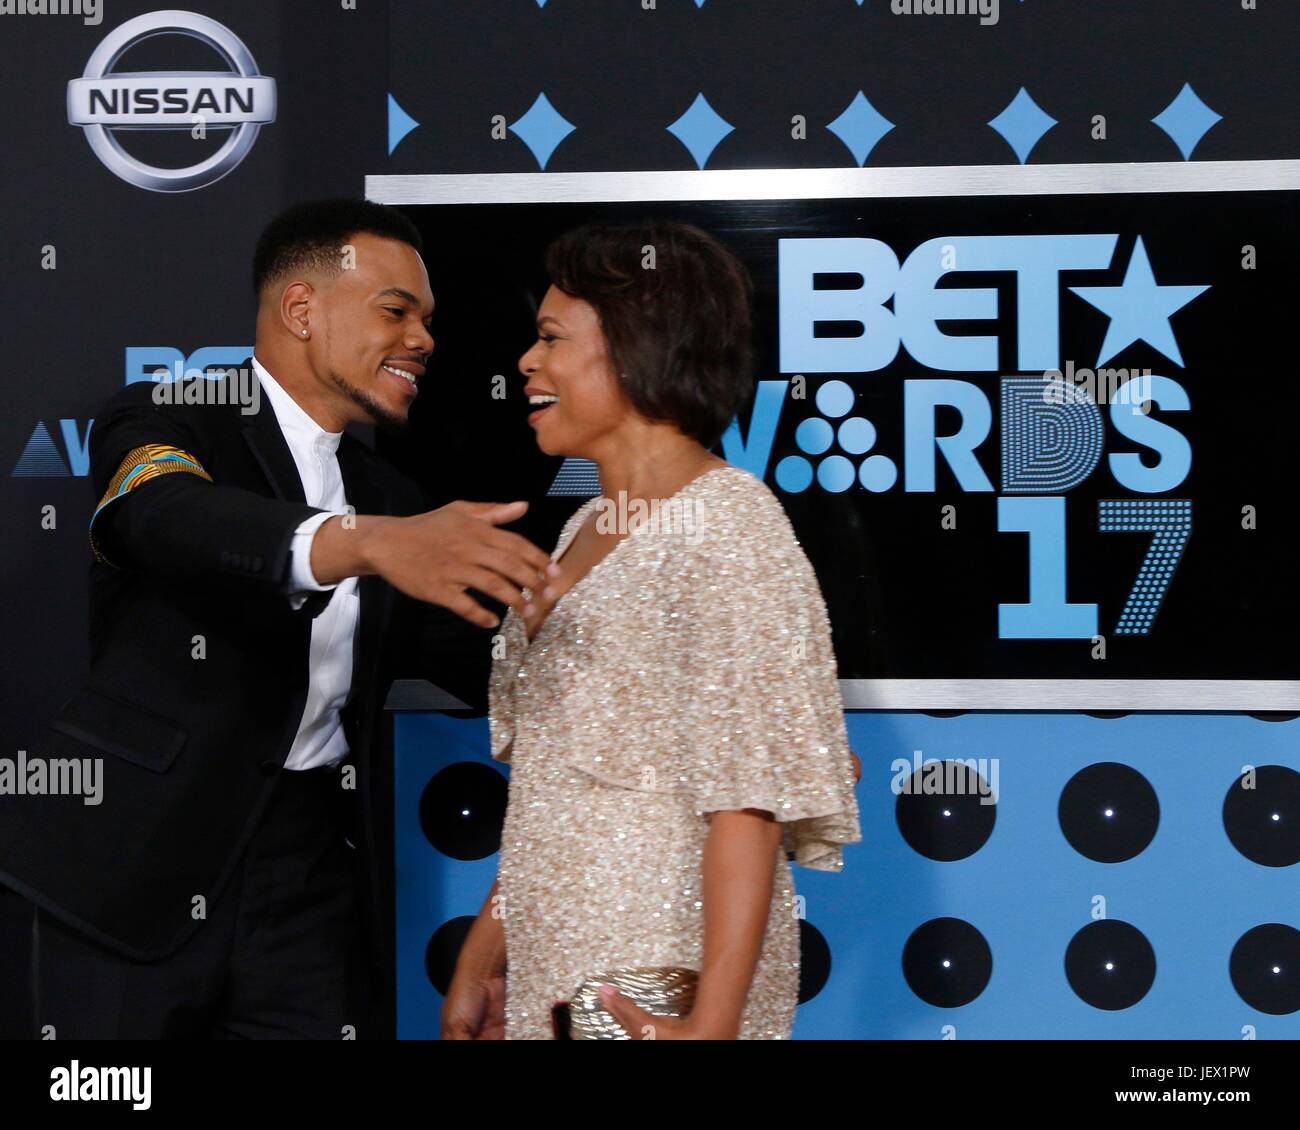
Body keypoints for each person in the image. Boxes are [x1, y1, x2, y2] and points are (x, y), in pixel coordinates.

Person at [0, 198, 559, 1039]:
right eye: (396, 310)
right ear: (301, 309)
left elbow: (483, 661)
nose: (423, 339)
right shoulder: (170, 415)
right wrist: (358, 544)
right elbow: (159, 516)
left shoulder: (391, 500)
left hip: (311, 889)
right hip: (132, 874)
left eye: (429, 319)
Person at [441, 219, 862, 1040]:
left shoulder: (732, 526)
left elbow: (748, 801)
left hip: (658, 974)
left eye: (552, 337)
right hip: (557, 968)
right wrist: (484, 960)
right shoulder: (582, 528)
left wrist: (713, 1025)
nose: (528, 362)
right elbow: (555, 796)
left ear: (638, 346)